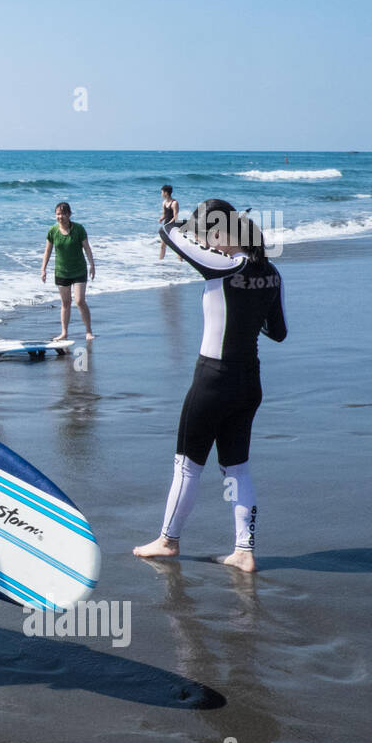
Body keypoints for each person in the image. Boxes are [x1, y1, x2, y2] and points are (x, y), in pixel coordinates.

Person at [133, 200, 287, 573]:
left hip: (213, 380)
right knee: (238, 468)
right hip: (249, 383)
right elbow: (278, 333)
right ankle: (244, 551)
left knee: (187, 466)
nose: (210, 245)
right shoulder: (271, 273)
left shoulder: (224, 265)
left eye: (211, 236)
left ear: (225, 235)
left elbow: (167, 234)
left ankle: (168, 541)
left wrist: (178, 217)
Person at [40, 202, 96, 340]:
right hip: (62, 271)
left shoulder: (79, 229)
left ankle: (88, 331)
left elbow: (87, 248)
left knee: (79, 301)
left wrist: (92, 265)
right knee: (65, 303)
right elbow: (48, 250)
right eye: (58, 214)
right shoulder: (52, 231)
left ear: (69, 214)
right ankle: (64, 333)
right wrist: (43, 269)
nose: (61, 216)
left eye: (64, 213)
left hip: (79, 270)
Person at [158, 185, 179, 259]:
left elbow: (175, 216)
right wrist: (161, 219)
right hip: (166, 225)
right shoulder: (164, 203)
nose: (161, 194)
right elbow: (164, 215)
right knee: (163, 245)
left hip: (173, 226)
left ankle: (180, 263)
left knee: (176, 246)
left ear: (166, 193)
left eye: (162, 192)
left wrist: (169, 224)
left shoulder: (174, 203)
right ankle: (160, 261)